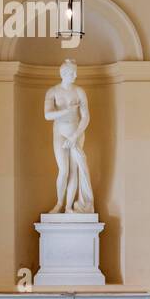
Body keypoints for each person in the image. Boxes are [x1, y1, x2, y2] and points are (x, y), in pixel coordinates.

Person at [44, 59, 94, 213]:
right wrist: (66, 111)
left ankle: (68, 206)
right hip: (60, 132)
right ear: (64, 73)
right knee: (63, 170)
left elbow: (86, 117)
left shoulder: (79, 92)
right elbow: (47, 115)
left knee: (74, 170)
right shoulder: (52, 91)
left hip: (76, 134)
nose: (75, 75)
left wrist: (74, 137)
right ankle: (59, 203)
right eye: (73, 73)